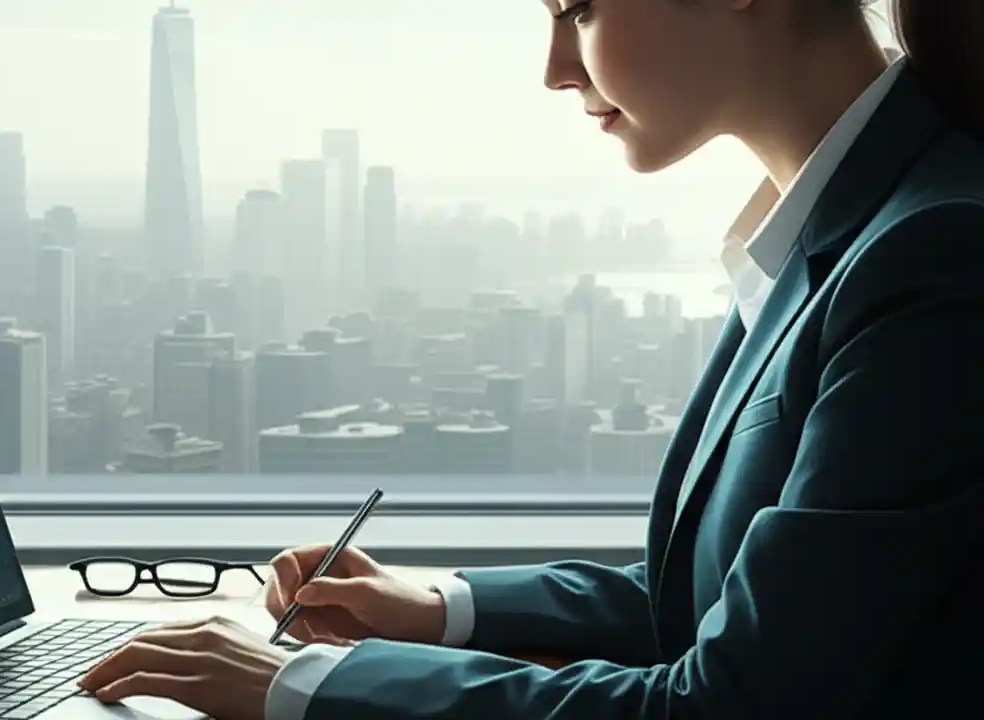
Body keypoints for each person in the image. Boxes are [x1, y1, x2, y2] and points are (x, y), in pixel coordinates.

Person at [78, 0, 984, 717]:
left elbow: (732, 700)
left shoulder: (931, 257)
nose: (555, 69)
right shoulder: (844, 231)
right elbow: (715, 601)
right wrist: (439, 609)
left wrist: (301, 685)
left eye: (576, 9)